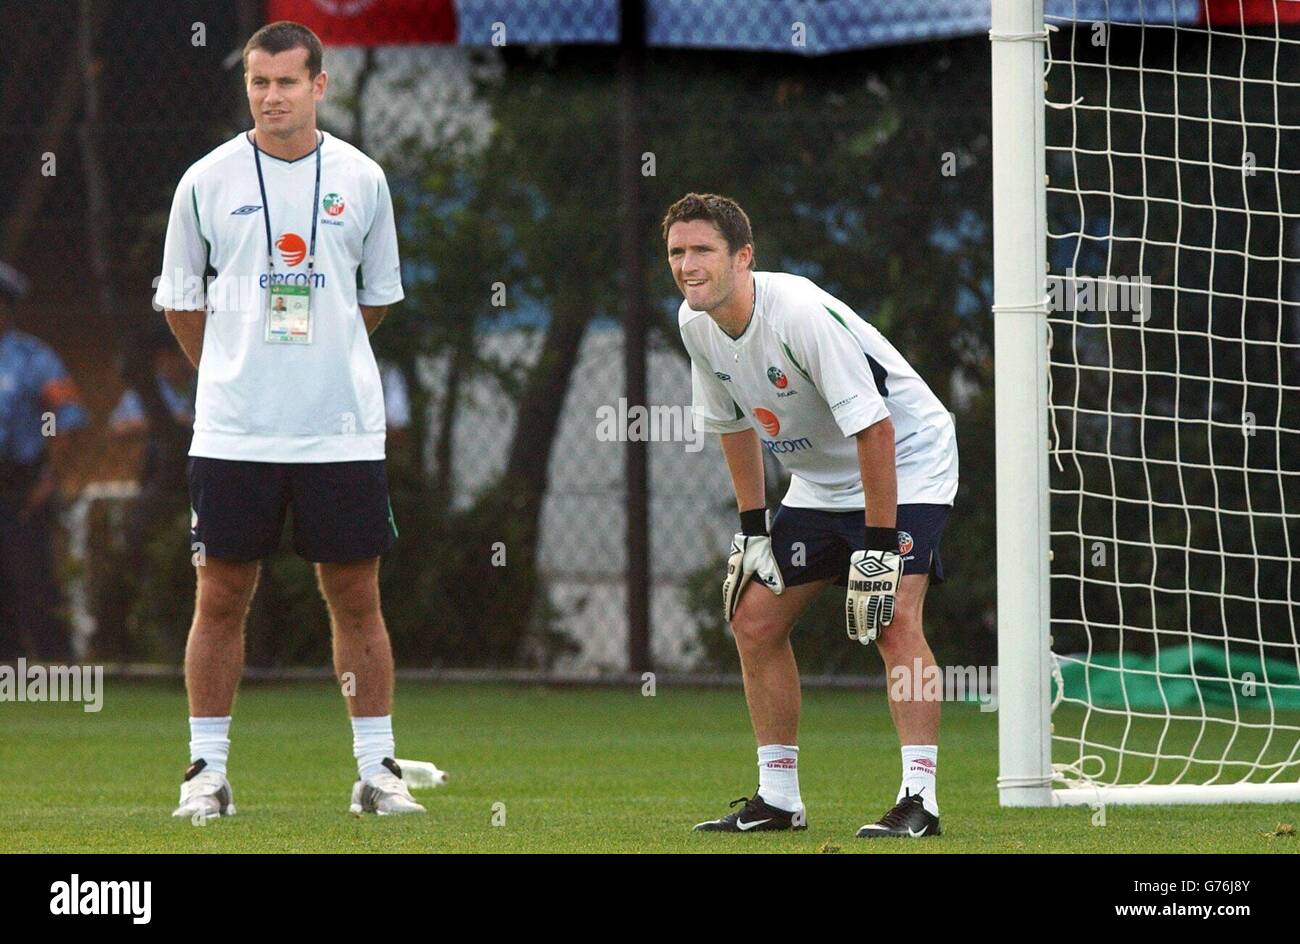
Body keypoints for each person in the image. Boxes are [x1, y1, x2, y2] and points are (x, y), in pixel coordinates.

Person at [154, 21, 418, 818]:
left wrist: (315, 366)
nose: (272, 97)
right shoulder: (204, 180)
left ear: (319, 85)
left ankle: (377, 772)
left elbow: (371, 301)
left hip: (339, 430)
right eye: (258, 84)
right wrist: (239, 373)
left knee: (356, 596)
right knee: (221, 595)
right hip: (234, 430)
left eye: (287, 82)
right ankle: (206, 774)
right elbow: (182, 303)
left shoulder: (364, 179)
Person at [667, 194, 958, 838]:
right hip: (822, 480)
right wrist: (752, 532)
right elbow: (732, 425)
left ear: (744, 257)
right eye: (677, 252)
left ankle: (920, 802)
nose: (688, 266)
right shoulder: (695, 323)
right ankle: (778, 799)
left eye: (703, 251)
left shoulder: (797, 312)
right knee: (754, 620)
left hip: (905, 459)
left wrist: (880, 547)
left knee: (892, 618)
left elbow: (876, 429)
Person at [0, 260, 88, 661]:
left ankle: (55, 664)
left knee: (30, 573)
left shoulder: (32, 359)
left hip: (20, 482)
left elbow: (58, 415)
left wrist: (50, 469)